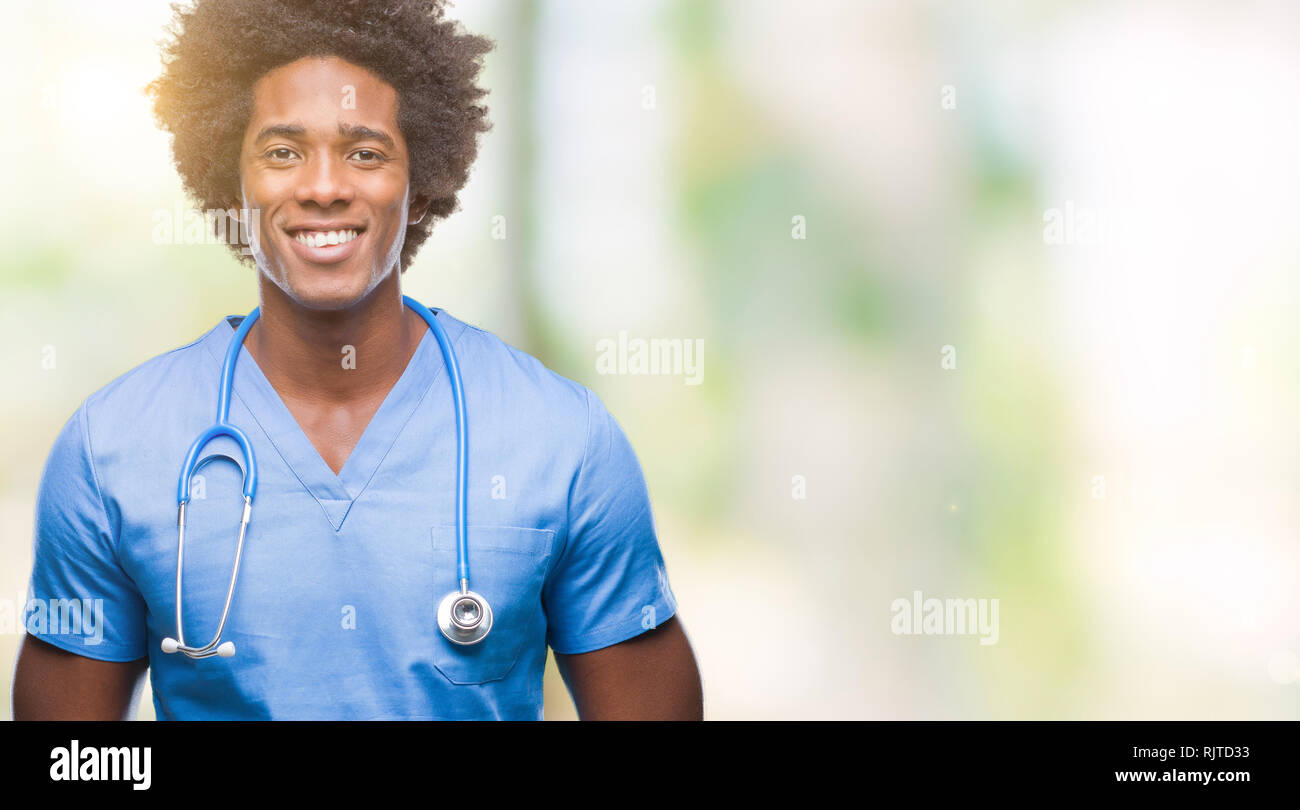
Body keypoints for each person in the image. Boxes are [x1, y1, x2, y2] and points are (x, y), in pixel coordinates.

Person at [12, 0, 702, 720]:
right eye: (282, 152)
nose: (322, 187)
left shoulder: (562, 440)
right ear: (230, 175)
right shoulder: (111, 450)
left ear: (422, 176)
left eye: (365, 152)